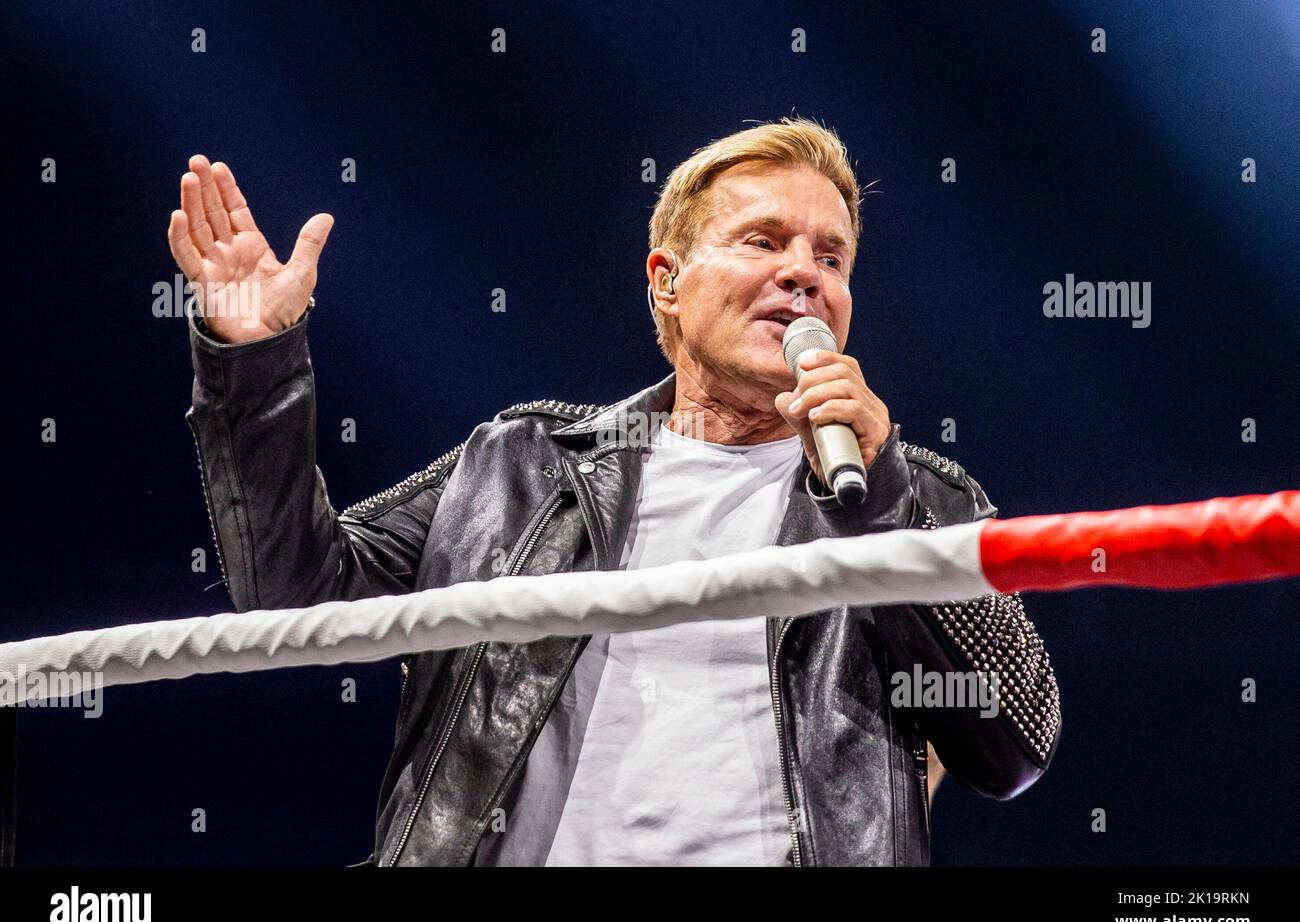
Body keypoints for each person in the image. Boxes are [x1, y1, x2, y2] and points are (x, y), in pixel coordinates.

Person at [169, 117, 1060, 866]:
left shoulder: (917, 497)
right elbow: (292, 598)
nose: (806, 274)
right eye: (763, 241)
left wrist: (882, 507)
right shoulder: (523, 464)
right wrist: (256, 365)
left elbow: (1013, 744)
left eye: (832, 257)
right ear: (666, 283)